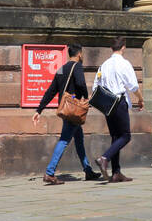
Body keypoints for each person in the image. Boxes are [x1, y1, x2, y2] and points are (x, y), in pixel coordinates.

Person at [33, 45, 103, 184]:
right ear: (80, 55)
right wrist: (84, 96)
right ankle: (49, 172)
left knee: (79, 140)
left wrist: (39, 110)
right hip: (74, 110)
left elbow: (51, 91)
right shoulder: (76, 66)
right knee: (64, 139)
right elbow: (81, 82)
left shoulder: (60, 69)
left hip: (66, 109)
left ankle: (88, 170)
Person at [94, 37, 144, 183]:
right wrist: (140, 99)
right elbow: (133, 86)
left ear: (112, 48)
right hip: (119, 101)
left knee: (116, 137)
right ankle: (104, 158)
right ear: (123, 47)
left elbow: (96, 85)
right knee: (125, 136)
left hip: (107, 102)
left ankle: (116, 172)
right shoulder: (124, 64)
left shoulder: (104, 65)